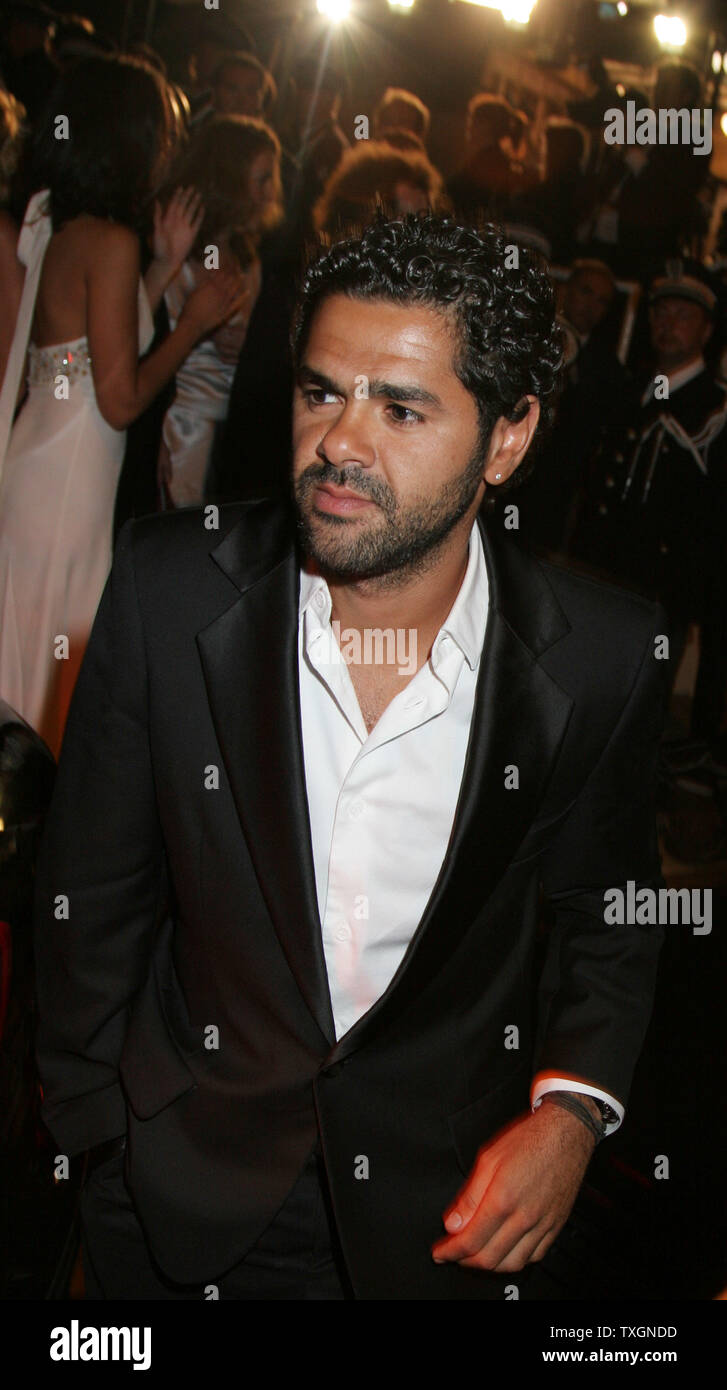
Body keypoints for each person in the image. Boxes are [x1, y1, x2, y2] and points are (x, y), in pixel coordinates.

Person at [34, 213, 670, 1300]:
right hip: (175, 1197)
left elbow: (606, 913)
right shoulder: (167, 588)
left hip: (439, 1219)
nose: (338, 440)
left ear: (507, 439)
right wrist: (98, 1135)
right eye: (321, 390)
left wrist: (569, 1114)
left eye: (401, 408)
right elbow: (88, 890)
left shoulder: (601, 657)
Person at [0, 56, 246, 758]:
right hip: (67, 489)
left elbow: (91, 346)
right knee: (51, 687)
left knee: (25, 669)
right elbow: (119, 399)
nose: (170, 146)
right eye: (162, 131)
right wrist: (194, 322)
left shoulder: (66, 227)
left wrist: (164, 267)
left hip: (39, 469)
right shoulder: (106, 240)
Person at [156, 115, 283, 509]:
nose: (270, 193)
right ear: (228, 179)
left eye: (271, 179)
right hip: (181, 430)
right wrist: (199, 329)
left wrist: (249, 348)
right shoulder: (176, 250)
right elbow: (142, 337)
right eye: (260, 179)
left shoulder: (248, 255)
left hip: (236, 438)